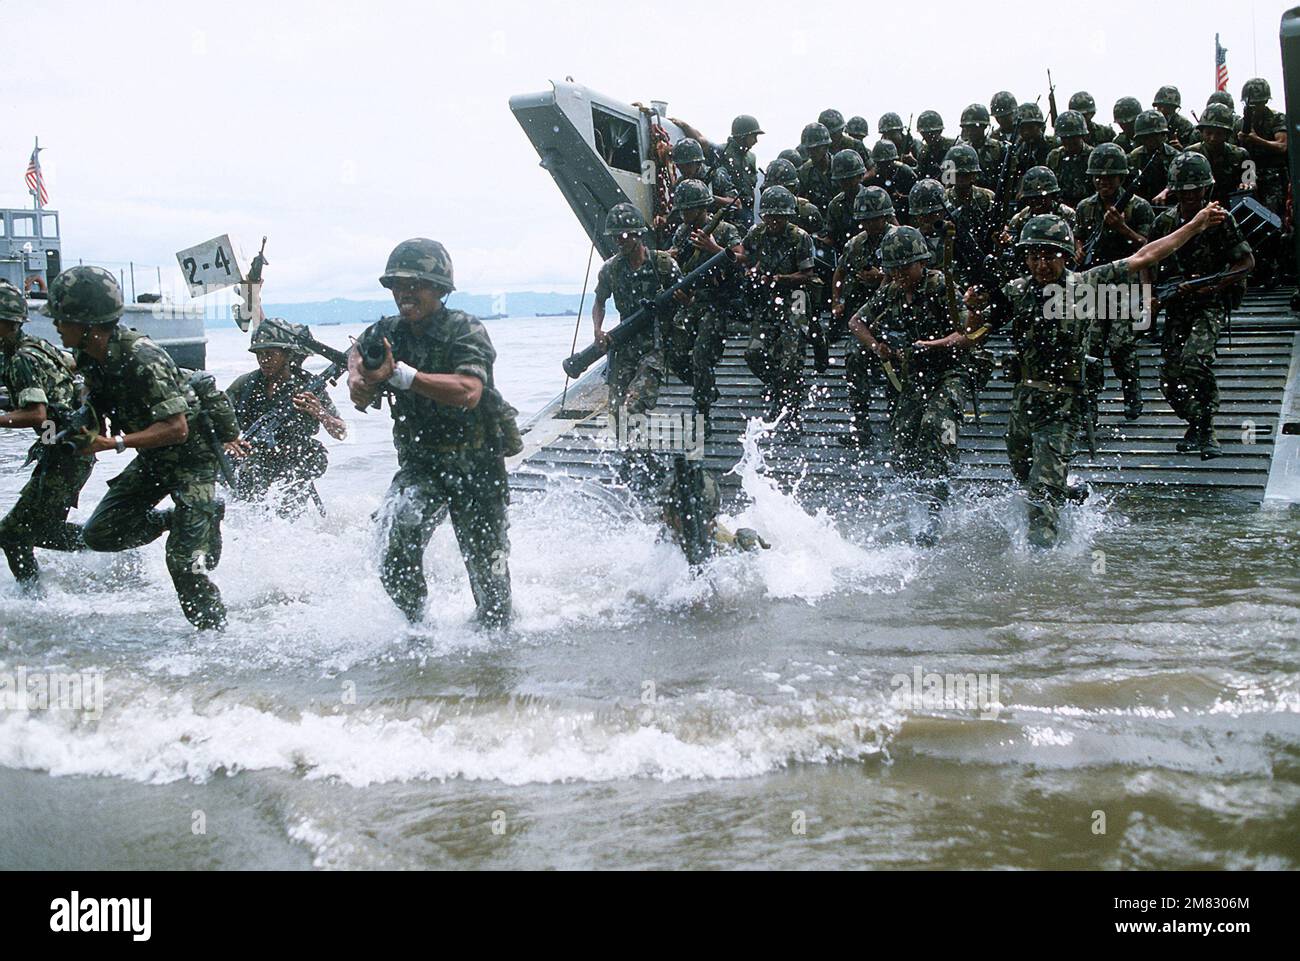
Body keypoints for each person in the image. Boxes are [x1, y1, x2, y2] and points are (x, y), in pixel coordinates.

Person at [965, 203, 1230, 548]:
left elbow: (1144, 256)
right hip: (1023, 403)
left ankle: (1042, 570)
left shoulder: (1086, 286)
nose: (1041, 265)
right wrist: (971, 308)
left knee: (1042, 496)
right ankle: (1068, 488)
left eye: (1049, 256)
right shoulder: (1015, 291)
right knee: (1026, 477)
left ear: (1065, 257)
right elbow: (973, 334)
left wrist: (1194, 225)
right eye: (1033, 257)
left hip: (1064, 406)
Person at [347, 238, 515, 628]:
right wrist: (360, 377)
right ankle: (419, 633)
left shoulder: (464, 329)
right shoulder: (389, 332)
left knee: (489, 577)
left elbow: (469, 392)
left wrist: (403, 377)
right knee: (393, 544)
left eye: (414, 285)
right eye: (397, 286)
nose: (404, 294)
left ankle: (496, 660)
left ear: (438, 289)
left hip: (477, 466)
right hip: (422, 464)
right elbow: (358, 351)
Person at [55, 266, 228, 629]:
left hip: (190, 460)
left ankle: (215, 637)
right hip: (153, 458)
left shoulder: (143, 357)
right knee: (99, 534)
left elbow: (177, 428)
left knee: (185, 564)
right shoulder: (91, 356)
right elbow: (94, 400)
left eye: (63, 318)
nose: (56, 325)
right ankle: (175, 519)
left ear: (88, 322)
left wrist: (114, 443)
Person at [848, 226, 976, 543]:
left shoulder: (940, 285)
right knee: (903, 440)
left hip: (952, 371)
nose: (900, 274)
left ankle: (936, 507)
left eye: (905, 267)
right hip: (916, 373)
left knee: (935, 426)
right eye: (893, 269)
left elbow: (966, 334)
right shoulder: (891, 289)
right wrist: (877, 346)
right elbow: (856, 322)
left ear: (921, 262)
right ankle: (917, 502)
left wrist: (935, 345)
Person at [1145, 153, 1254, 460]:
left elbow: (1245, 262)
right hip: (1177, 304)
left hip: (1210, 302)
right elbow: (1148, 259)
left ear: (1207, 189)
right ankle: (1195, 422)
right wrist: (1149, 295)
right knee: (1168, 374)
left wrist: (1209, 286)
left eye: (1197, 190)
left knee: (1194, 360)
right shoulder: (1164, 222)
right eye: (1185, 190)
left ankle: (1206, 426)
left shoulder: (1220, 220)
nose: (1191, 196)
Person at [0, 279, 91, 593]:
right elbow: (76, 368)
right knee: (29, 531)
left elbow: (35, 414)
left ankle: (110, 539)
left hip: (66, 454)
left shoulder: (21, 360)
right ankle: (35, 594)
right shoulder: (39, 346)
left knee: (15, 533)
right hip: (68, 449)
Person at [225, 318, 347, 516]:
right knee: (245, 511)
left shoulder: (308, 387)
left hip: (295, 460)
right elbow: (216, 417)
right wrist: (228, 440)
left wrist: (321, 413)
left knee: (288, 515)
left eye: (271, 354)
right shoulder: (245, 385)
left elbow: (341, 433)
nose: (264, 360)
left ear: (287, 354)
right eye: (260, 355)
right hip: (255, 460)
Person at [1073, 143, 1155, 421]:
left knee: (1122, 345)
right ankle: (1090, 401)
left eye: (1108, 177)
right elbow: (1078, 235)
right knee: (1090, 346)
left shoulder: (1139, 206)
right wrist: (1078, 246)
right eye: (1097, 177)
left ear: (1121, 177)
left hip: (1126, 282)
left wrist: (1122, 227)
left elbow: (1148, 246)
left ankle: (1132, 391)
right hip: (1094, 283)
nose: (1102, 182)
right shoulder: (1085, 207)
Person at [666, 179, 747, 429]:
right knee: (675, 354)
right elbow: (676, 258)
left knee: (701, 355)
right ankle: (706, 387)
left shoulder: (724, 230)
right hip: (692, 301)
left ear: (702, 208)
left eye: (687, 209)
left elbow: (742, 258)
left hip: (716, 302)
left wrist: (714, 249)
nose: (683, 214)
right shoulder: (682, 232)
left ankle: (702, 413)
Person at [743, 185, 816, 433]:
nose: (773, 221)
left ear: (788, 216)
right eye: (769, 216)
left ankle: (792, 413)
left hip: (795, 296)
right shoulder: (756, 234)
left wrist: (778, 279)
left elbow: (808, 275)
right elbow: (746, 256)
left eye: (779, 216)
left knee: (791, 359)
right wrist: (751, 271)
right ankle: (778, 388)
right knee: (754, 353)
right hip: (767, 298)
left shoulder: (800, 238)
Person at [836, 187, 900, 448]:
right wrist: (837, 301)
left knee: (898, 362)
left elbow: (914, 274)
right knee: (854, 357)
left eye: (874, 218)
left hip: (899, 311)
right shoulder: (856, 243)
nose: (869, 224)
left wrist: (881, 277)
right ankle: (861, 425)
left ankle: (899, 420)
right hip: (867, 313)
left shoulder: (899, 239)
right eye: (864, 219)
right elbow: (838, 272)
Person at [1237, 78, 1290, 287]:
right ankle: (1255, 268)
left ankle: (1275, 269)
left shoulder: (1276, 118)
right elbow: (1239, 154)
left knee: (1272, 220)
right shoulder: (1241, 122)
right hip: (1250, 171)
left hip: (1274, 174)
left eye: (1257, 103)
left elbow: (1282, 146)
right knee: (1248, 221)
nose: (1254, 108)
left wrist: (1255, 139)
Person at [1187, 103, 1252, 206]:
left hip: (1232, 206)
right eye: (1208, 133)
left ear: (1227, 134)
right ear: (1201, 132)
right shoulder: (1190, 154)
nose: (1213, 138)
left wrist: (1247, 185)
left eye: (1218, 134)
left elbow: (1250, 180)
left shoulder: (1241, 154)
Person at [1126, 110, 1179, 203]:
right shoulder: (1134, 157)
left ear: (1163, 135)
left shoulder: (1176, 157)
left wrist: (1168, 190)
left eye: (1154, 136)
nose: (1150, 140)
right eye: (1146, 137)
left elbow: (1183, 183)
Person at [1046, 110, 1094, 208]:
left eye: (1073, 138)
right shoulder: (1054, 157)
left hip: (1088, 207)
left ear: (1082, 135)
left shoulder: (1093, 156)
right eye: (1064, 138)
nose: (1069, 142)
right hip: (1061, 208)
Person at [796, 123, 837, 212]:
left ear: (826, 147)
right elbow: (799, 197)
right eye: (808, 149)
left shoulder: (839, 165)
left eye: (815, 149)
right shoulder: (804, 172)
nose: (811, 153)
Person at [915, 110, 955, 181]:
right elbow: (921, 177)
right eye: (924, 133)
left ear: (940, 131)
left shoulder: (953, 148)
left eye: (931, 133)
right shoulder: (924, 152)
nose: (927, 136)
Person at [1152, 85, 1196, 150]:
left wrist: (1181, 148)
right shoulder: (1149, 122)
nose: (1162, 110)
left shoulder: (1185, 125)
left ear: (1174, 108)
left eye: (1167, 107)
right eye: (1159, 106)